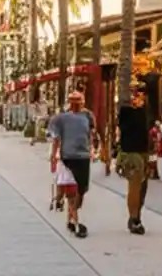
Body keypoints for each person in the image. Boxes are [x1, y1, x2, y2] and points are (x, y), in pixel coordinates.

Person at [48, 91, 94, 238]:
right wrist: (53, 155)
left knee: (82, 190)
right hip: (68, 157)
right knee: (72, 192)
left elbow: (92, 134)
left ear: (83, 102)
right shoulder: (62, 118)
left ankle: (71, 217)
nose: (76, 104)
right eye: (73, 102)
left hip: (84, 157)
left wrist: (94, 148)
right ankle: (75, 222)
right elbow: (56, 137)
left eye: (78, 101)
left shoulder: (88, 116)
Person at [117, 85, 152, 235]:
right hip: (131, 151)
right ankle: (134, 218)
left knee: (142, 187)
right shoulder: (125, 111)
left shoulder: (146, 112)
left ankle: (137, 215)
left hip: (143, 151)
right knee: (135, 184)